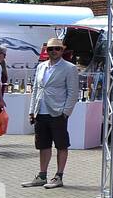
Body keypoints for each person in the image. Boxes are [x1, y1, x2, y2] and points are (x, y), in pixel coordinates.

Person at [21, 38, 79, 189]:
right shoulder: (41, 67)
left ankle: (59, 176)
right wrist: (32, 110)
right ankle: (42, 175)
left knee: (61, 144)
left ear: (62, 50)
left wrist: (66, 112)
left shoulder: (69, 68)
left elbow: (73, 92)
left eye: (57, 49)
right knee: (43, 144)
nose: (54, 51)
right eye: (51, 49)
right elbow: (36, 89)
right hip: (41, 111)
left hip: (58, 112)